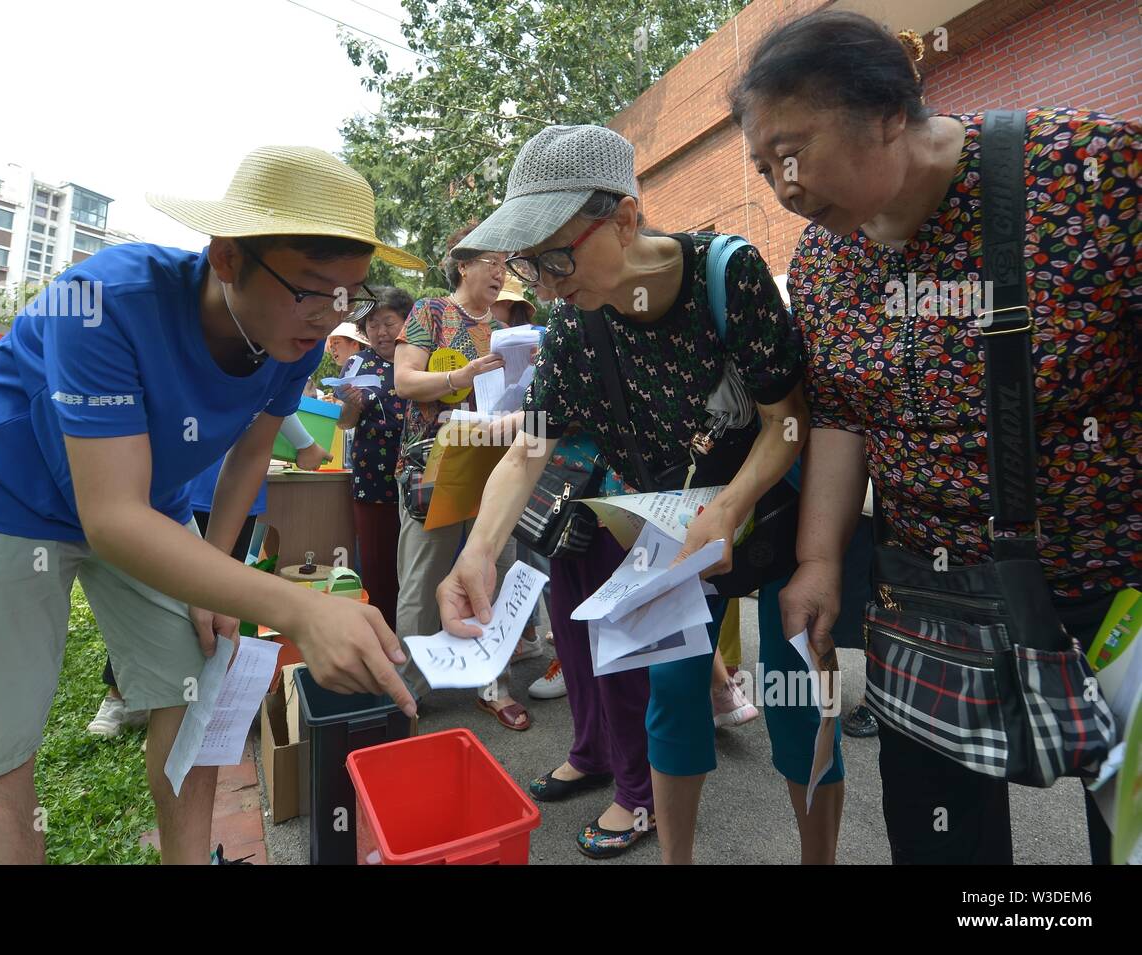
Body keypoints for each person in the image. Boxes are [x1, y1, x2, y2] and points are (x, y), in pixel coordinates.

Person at [0, 145, 421, 863]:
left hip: (151, 502)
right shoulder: (108, 299)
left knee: (196, 681)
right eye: (310, 289)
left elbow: (250, 455)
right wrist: (298, 606)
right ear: (227, 257)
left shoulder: (292, 339)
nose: (330, 316)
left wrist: (216, 572)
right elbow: (110, 519)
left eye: (348, 294)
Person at [736, 11, 1140, 864]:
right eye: (765, 166)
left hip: (1114, 588)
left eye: (794, 149)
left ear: (889, 112)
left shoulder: (1094, 175)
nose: (786, 185)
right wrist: (816, 562)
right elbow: (841, 413)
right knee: (942, 841)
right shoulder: (822, 263)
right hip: (929, 596)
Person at [436, 124, 844, 864]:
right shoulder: (571, 325)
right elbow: (531, 444)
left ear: (625, 218)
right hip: (668, 534)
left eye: (559, 255)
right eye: (533, 264)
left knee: (799, 702)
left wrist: (732, 502)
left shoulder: (728, 275)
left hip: (773, 521)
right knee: (673, 703)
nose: (550, 283)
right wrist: (478, 552)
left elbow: (789, 422)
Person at [87, 422, 329, 737]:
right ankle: (120, 695)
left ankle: (199, 702)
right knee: (158, 592)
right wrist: (306, 443)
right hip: (186, 490)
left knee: (218, 604)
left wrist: (304, 443)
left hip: (237, 496)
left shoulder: (270, 386)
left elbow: (274, 408)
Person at [392, 224, 530, 731]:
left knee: (495, 571)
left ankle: (493, 683)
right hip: (434, 467)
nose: (500, 271)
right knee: (423, 579)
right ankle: (409, 689)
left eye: (505, 262)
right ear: (462, 264)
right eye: (490, 260)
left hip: (495, 469)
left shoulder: (503, 330)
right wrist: (460, 377)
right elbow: (404, 381)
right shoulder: (431, 310)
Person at [336, 287, 412, 631]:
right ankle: (382, 638)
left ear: (406, 321)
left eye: (388, 322)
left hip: (419, 478)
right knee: (378, 564)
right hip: (373, 478)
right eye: (372, 325)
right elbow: (344, 423)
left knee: (416, 565)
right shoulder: (358, 363)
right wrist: (352, 403)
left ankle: (417, 639)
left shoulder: (422, 359)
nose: (381, 332)